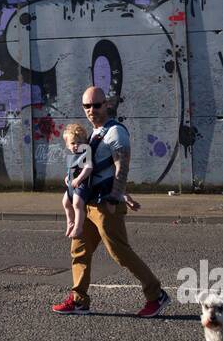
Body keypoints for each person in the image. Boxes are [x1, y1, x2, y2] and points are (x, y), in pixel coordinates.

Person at [52, 86, 171, 317]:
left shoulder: (115, 132)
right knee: (79, 250)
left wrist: (116, 196)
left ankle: (156, 295)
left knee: (120, 253)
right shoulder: (95, 133)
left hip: (105, 205)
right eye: (87, 106)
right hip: (89, 202)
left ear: (106, 104)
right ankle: (78, 299)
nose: (91, 110)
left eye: (96, 105)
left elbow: (121, 166)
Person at [61, 123, 93, 239]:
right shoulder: (71, 156)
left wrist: (79, 179)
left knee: (77, 204)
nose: (76, 146)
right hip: (71, 185)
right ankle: (70, 222)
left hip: (82, 184)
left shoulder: (85, 154)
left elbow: (88, 168)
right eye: (73, 143)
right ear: (67, 145)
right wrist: (67, 177)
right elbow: (70, 170)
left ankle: (78, 227)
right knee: (65, 202)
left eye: (79, 143)